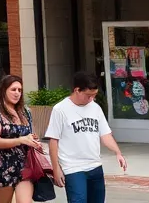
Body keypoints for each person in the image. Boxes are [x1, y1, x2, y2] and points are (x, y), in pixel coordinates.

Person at [44, 72, 127, 203]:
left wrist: (118, 152)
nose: (92, 99)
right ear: (77, 90)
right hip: (73, 168)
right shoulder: (60, 110)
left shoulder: (95, 108)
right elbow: (53, 140)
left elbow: (105, 134)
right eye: (89, 95)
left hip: (95, 166)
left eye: (94, 95)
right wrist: (56, 169)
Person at [0, 74, 41, 203]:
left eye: (19, 90)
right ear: (3, 90)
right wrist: (20, 140)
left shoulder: (25, 112)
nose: (17, 93)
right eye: (13, 89)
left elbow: (29, 134)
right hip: (2, 166)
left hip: (25, 165)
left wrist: (33, 140)